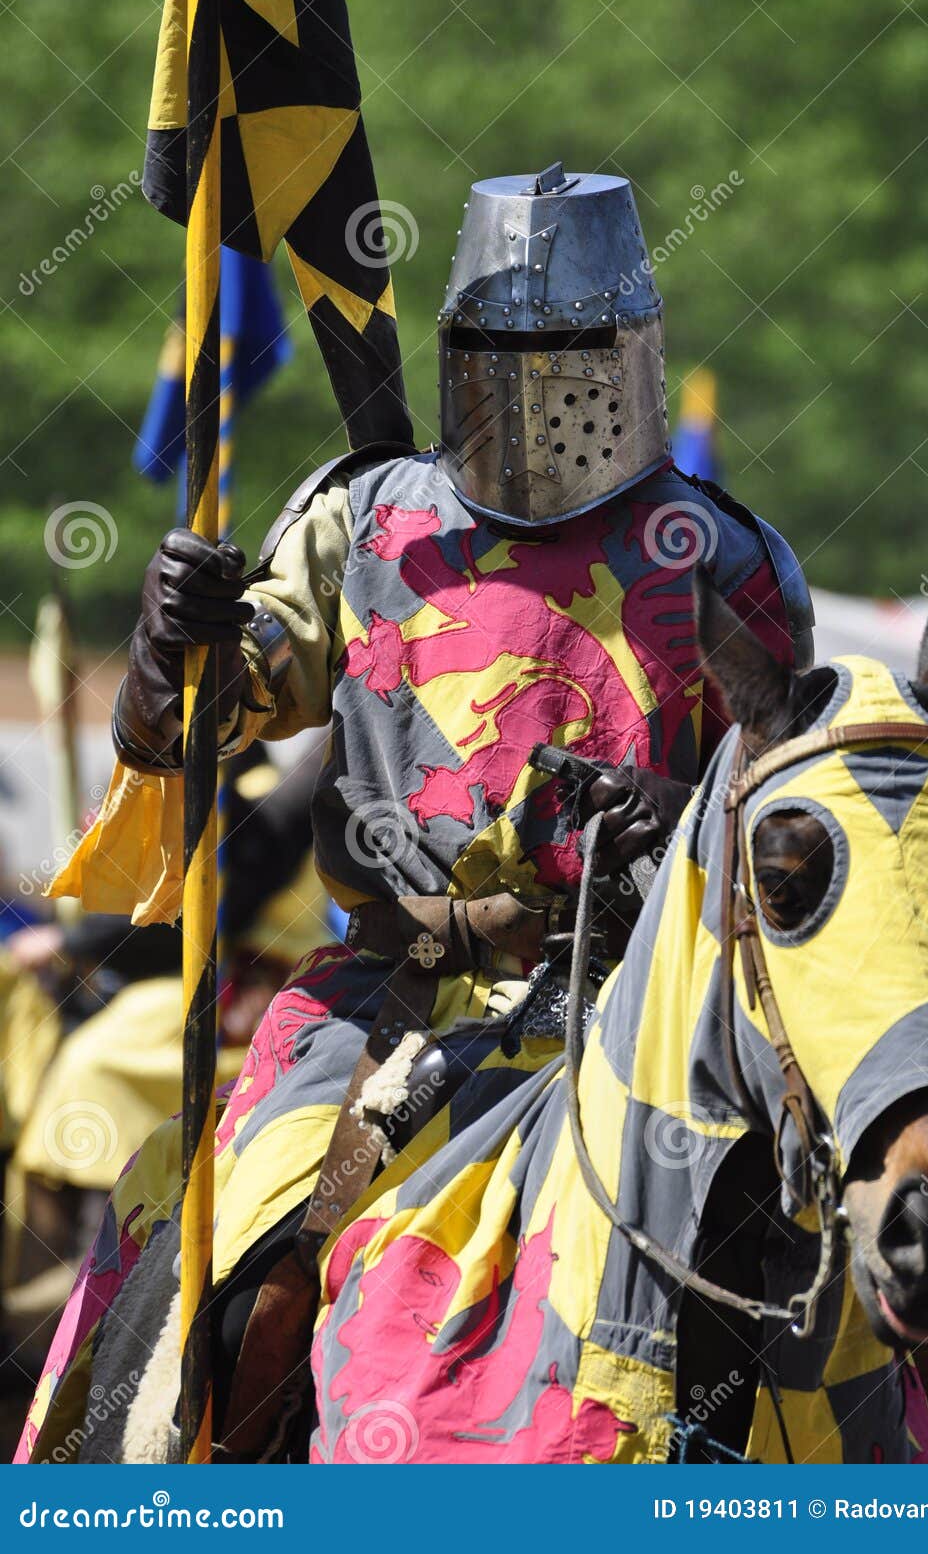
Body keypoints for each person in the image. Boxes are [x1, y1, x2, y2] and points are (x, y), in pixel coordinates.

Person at [24, 165, 813, 1461]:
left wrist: (683, 813)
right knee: (238, 1296)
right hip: (390, 1006)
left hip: (641, 1009)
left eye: (567, 356)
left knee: (795, 1301)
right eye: (504, 354)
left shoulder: (726, 558)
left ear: (632, 355)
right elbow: (201, 723)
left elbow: (789, 818)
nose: (537, 391)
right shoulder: (369, 519)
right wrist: (172, 651)